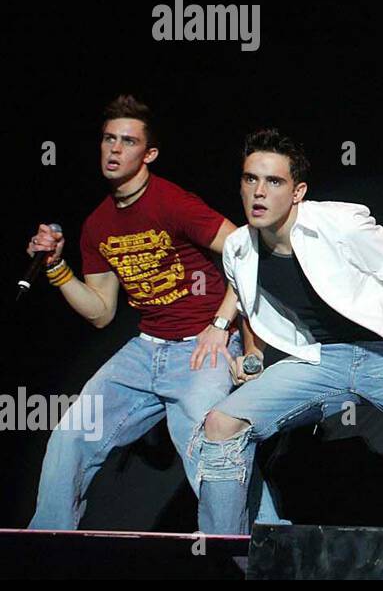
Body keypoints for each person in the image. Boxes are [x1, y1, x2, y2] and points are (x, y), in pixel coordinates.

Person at [188, 129, 383, 533]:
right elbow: (248, 305)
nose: (258, 192)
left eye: (273, 181)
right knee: (221, 424)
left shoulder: (340, 222)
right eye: (250, 179)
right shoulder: (239, 249)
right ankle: (233, 555)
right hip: (320, 360)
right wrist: (253, 356)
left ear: (298, 192)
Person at [25, 95, 265, 529]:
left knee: (215, 457)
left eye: (128, 142)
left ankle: (254, 555)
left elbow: (247, 251)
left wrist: (220, 325)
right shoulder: (98, 223)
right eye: (108, 140)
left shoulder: (172, 202)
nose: (115, 150)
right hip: (145, 351)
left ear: (148, 154)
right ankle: (45, 548)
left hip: (200, 350)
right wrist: (57, 268)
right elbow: (100, 311)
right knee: (70, 437)